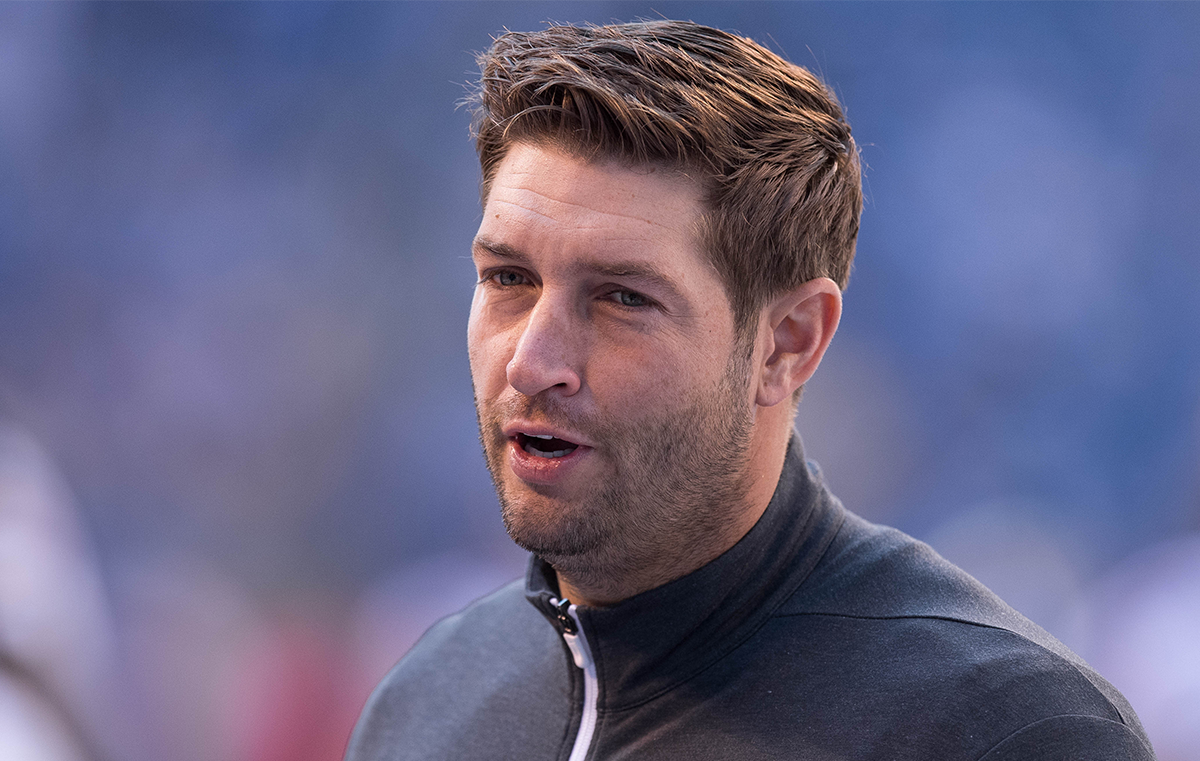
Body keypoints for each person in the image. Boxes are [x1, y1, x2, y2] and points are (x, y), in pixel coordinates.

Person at [345, 20, 1156, 760]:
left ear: (789, 341)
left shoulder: (1008, 729)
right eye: (509, 278)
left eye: (623, 297)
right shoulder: (426, 701)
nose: (531, 361)